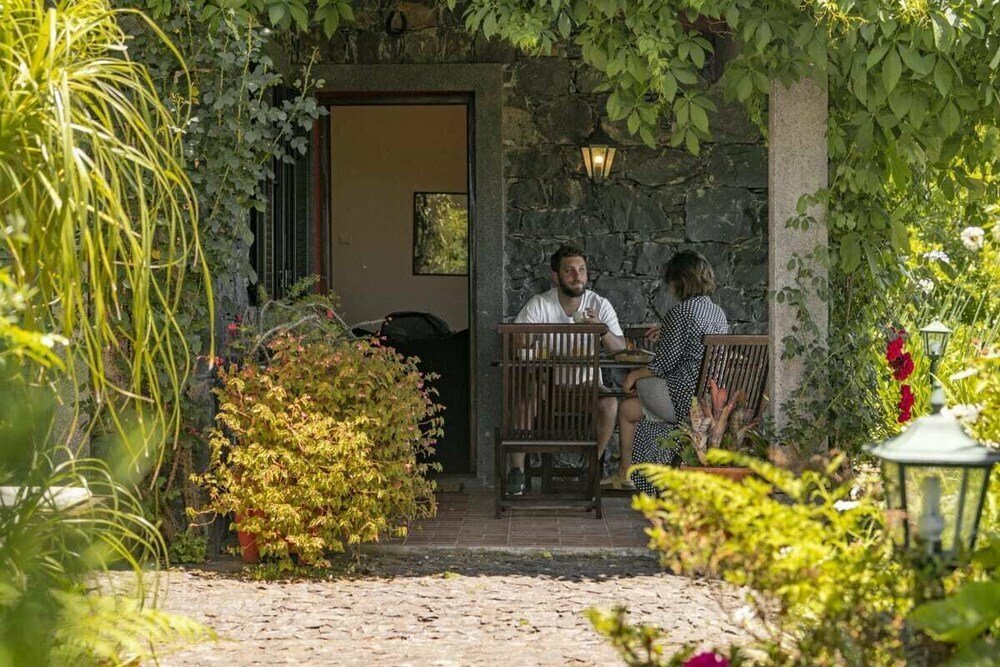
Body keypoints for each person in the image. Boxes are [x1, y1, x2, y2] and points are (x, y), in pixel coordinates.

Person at [507, 244, 626, 496]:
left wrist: (601, 329)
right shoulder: (540, 304)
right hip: (546, 386)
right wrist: (529, 339)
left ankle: (592, 466)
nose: (577, 276)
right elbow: (515, 340)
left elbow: (620, 349)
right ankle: (516, 471)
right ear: (555, 276)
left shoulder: (599, 304)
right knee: (524, 397)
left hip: (586, 387)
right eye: (569, 270)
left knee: (610, 403)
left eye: (581, 270)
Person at [614, 250, 728, 492]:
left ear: (679, 281)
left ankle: (628, 475)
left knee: (632, 393)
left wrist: (634, 375)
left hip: (684, 399)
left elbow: (662, 365)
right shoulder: (717, 312)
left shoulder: (681, 312)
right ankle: (627, 474)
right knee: (628, 409)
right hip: (709, 400)